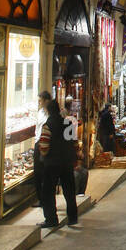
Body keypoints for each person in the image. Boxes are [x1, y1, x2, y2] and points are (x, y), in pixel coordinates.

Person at [37, 97, 79, 229]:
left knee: (48, 192)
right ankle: (72, 218)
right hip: (66, 163)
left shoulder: (47, 126)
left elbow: (43, 146)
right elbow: (74, 144)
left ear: (48, 111)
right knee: (69, 191)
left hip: (52, 164)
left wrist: (45, 156)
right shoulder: (67, 123)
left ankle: (51, 219)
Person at [33, 90, 52, 207]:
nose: (39, 103)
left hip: (48, 144)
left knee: (46, 172)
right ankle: (40, 198)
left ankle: (47, 198)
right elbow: (37, 127)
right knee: (37, 172)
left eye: (40, 101)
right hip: (38, 142)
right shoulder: (40, 113)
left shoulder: (52, 114)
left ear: (46, 101)